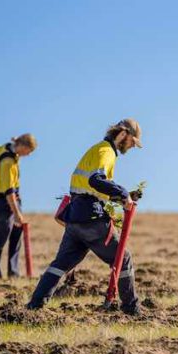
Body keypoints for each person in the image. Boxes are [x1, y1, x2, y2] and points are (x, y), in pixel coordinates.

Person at [27, 119, 143, 314]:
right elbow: (95, 180)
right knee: (123, 258)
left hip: (75, 219)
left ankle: (34, 307)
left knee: (60, 265)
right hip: (91, 219)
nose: (132, 146)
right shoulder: (107, 151)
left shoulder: (96, 149)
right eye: (132, 141)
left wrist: (125, 196)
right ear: (123, 134)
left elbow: (92, 188)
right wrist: (123, 193)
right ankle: (132, 310)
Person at [0, 134, 37, 278]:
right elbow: (9, 192)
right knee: (0, 240)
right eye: (29, 151)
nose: (28, 155)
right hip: (5, 203)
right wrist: (16, 213)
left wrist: (12, 144)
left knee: (16, 238)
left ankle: (13, 273)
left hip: (13, 201)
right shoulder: (8, 163)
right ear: (23, 146)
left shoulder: (6, 150)